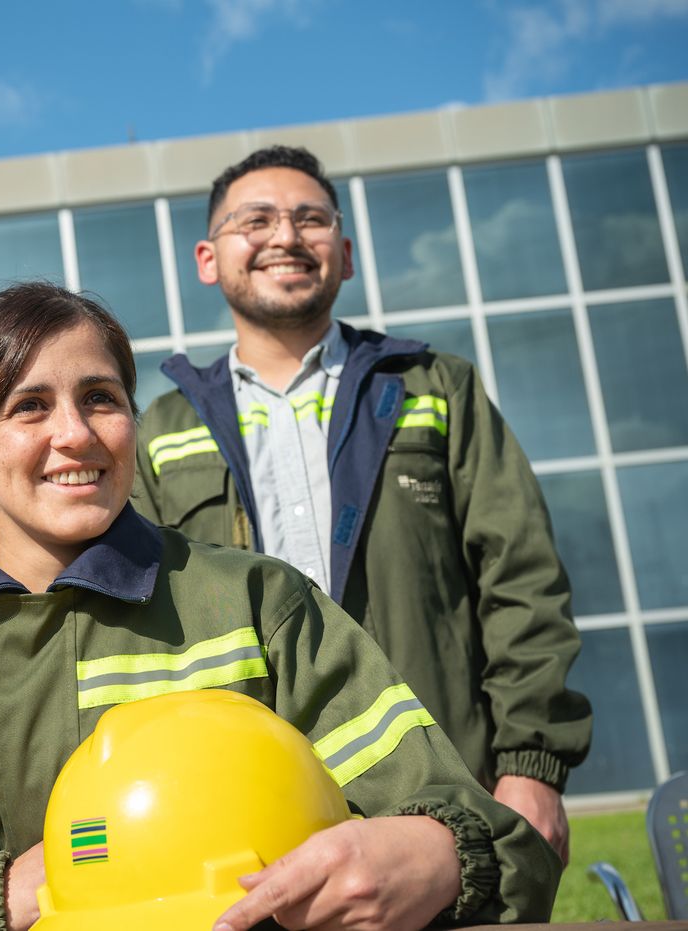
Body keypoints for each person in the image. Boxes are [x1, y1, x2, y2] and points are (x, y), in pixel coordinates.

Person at [0, 282, 560, 931]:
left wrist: (439, 857)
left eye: (100, 398)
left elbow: (491, 837)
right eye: (29, 407)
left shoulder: (259, 606)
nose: (75, 434)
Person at [132, 145, 591, 865]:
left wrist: (531, 768)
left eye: (310, 219)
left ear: (344, 254)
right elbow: (140, 636)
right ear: (208, 259)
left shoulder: (436, 388)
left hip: (447, 802)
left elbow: (522, 579)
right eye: (256, 220)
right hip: (246, 810)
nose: (286, 236)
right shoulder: (158, 432)